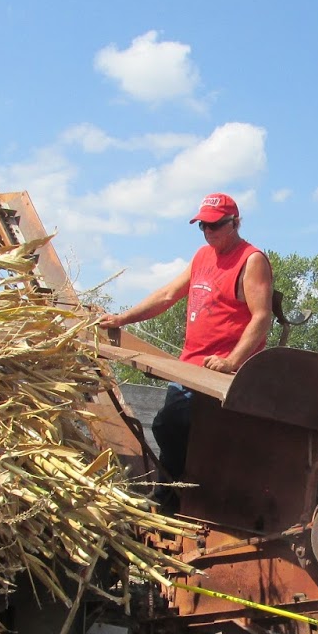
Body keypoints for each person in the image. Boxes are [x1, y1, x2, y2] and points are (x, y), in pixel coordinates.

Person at [101, 193, 274, 482]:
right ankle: (181, 494)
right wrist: (123, 318)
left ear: (235, 223)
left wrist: (231, 361)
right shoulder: (202, 256)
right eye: (202, 226)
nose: (208, 232)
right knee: (168, 427)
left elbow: (262, 317)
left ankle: (177, 496)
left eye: (215, 226)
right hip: (189, 368)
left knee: (173, 426)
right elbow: (167, 295)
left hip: (224, 377)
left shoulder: (251, 260)